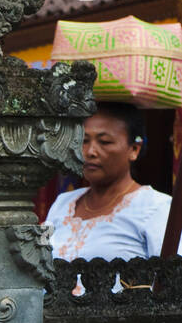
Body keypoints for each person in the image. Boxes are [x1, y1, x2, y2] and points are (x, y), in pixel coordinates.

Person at [44, 103, 182, 261]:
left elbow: (171, 278)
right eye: (84, 141)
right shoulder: (62, 204)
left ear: (134, 149)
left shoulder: (155, 208)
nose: (90, 152)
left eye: (104, 142)